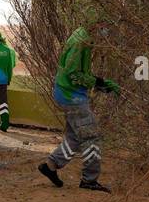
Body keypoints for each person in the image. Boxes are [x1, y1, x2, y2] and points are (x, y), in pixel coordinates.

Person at [38, 25, 118, 192]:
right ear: (97, 24)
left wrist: (100, 84)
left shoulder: (82, 35)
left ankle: (51, 165)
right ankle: (89, 180)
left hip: (67, 94)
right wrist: (99, 83)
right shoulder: (81, 41)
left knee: (75, 136)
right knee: (91, 137)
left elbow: (77, 73)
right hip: (72, 96)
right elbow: (74, 74)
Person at [0, 29, 17, 132]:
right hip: (3, 80)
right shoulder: (7, 50)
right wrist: (9, 79)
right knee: (3, 103)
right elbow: (9, 67)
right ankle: (4, 124)